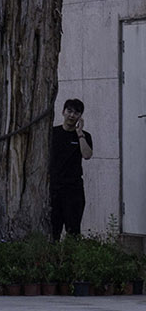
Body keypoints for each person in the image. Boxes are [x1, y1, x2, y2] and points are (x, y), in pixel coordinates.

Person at [50, 97, 93, 238]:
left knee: (73, 230)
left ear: (80, 116)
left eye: (76, 113)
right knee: (53, 230)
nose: (72, 115)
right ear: (63, 112)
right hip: (54, 188)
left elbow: (87, 155)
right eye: (69, 111)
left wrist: (79, 133)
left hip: (73, 189)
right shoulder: (52, 133)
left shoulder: (85, 136)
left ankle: (71, 252)